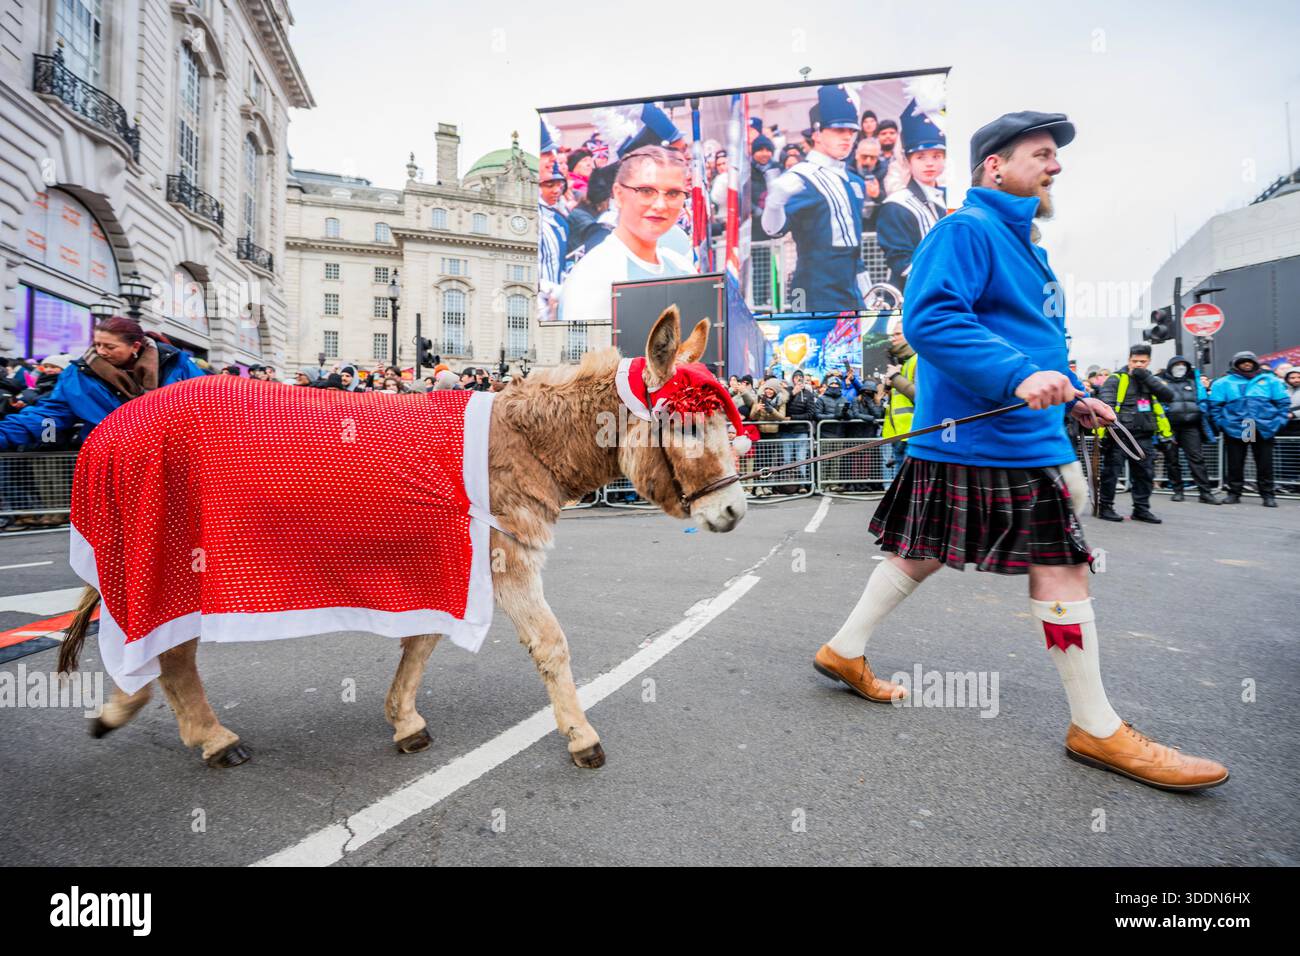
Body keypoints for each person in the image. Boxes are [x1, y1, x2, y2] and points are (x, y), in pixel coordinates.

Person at [813, 110, 1228, 793]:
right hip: (991, 437)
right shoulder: (966, 229)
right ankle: (1095, 729)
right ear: (993, 167)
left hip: (996, 435)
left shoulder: (1028, 248)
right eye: (1041, 154)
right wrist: (1017, 376)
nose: (1055, 165)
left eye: (1054, 156)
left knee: (918, 553)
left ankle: (844, 650)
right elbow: (931, 319)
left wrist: (1071, 396)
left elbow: (1033, 347)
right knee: (1063, 568)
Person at [0, 316, 205, 450]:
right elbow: (50, 416)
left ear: (134, 346)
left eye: (109, 346)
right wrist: (12, 435)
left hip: (171, 457)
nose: (101, 352)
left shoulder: (177, 364)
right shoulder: (78, 374)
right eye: (97, 344)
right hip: (110, 459)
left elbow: (205, 406)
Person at [761, 85, 871, 312]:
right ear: (817, 133)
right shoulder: (801, 176)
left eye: (851, 131)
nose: (847, 137)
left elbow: (853, 249)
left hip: (851, 290)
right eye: (838, 130)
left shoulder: (854, 181)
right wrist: (774, 203)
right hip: (812, 290)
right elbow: (773, 231)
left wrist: (865, 289)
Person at [557, 146, 696, 323]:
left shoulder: (681, 266)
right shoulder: (594, 277)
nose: (660, 205)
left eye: (673, 193)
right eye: (646, 191)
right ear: (619, 194)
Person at [1095, 344, 1175, 522]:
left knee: (1145, 474)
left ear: (1149, 362)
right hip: (1119, 435)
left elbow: (1169, 396)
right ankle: (1105, 507)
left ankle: (1141, 509)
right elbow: (1105, 403)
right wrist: (1113, 428)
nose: (1138, 364)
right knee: (1111, 473)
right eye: (1135, 361)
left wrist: (1147, 378)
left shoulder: (1150, 380)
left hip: (1144, 435)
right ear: (1129, 360)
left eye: (1143, 361)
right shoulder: (1116, 379)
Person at [876, 99, 948, 292]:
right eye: (920, 157)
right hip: (914, 294)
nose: (930, 164)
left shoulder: (951, 198)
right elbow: (901, 262)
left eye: (936, 156)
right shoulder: (896, 205)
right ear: (908, 161)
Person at [1209, 350, 1290, 507]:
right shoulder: (1224, 382)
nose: (1246, 364)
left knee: (1265, 463)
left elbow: (1283, 404)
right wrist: (1223, 424)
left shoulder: (1270, 380)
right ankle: (1234, 493)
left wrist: (1278, 422)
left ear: (1255, 363)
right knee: (1236, 462)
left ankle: (1267, 495)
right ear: (1236, 364)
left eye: (1249, 361)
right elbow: (1215, 407)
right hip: (1240, 426)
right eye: (1242, 362)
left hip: (1263, 425)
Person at [1156, 355, 1224, 504]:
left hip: (1191, 427)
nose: (1180, 367)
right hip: (1171, 427)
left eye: (1183, 364)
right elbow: (1158, 403)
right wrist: (1167, 413)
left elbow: (1203, 400)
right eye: (1177, 364)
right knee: (1172, 460)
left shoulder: (1193, 382)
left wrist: (1199, 410)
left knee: (1197, 459)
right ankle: (1177, 491)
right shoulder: (1163, 383)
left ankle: (1205, 493)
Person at [880, 314, 917, 481]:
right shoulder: (903, 363)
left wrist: (896, 378)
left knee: (909, 490)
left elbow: (921, 397)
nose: (892, 338)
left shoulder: (918, 360)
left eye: (897, 334)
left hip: (914, 435)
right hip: (900, 436)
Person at [537, 157, 571, 322]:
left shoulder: (560, 220)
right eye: (549, 185)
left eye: (559, 184)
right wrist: (552, 290)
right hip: (537, 300)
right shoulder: (533, 217)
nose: (556, 190)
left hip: (556, 298)